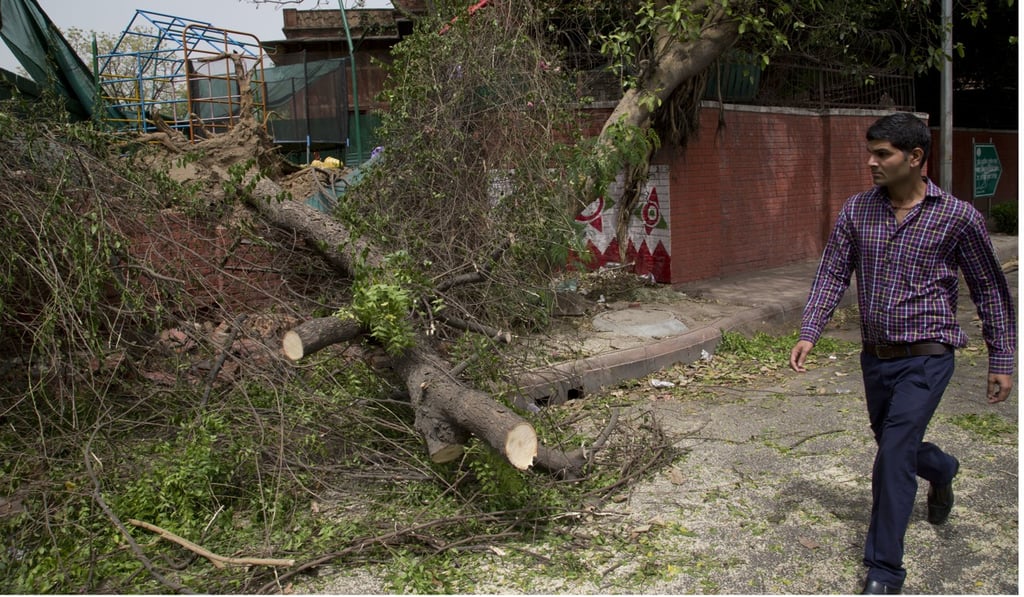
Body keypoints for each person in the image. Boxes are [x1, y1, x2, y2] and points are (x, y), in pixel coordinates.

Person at [788, 112, 1016, 595]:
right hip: (876, 357)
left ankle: (884, 570)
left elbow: (990, 291)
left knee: (893, 454)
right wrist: (810, 330)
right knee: (893, 442)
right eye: (870, 153)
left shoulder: (958, 217)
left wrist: (1001, 359)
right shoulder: (857, 211)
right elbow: (832, 273)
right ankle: (942, 469)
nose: (871, 162)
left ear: (914, 157)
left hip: (929, 355)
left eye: (882, 154)